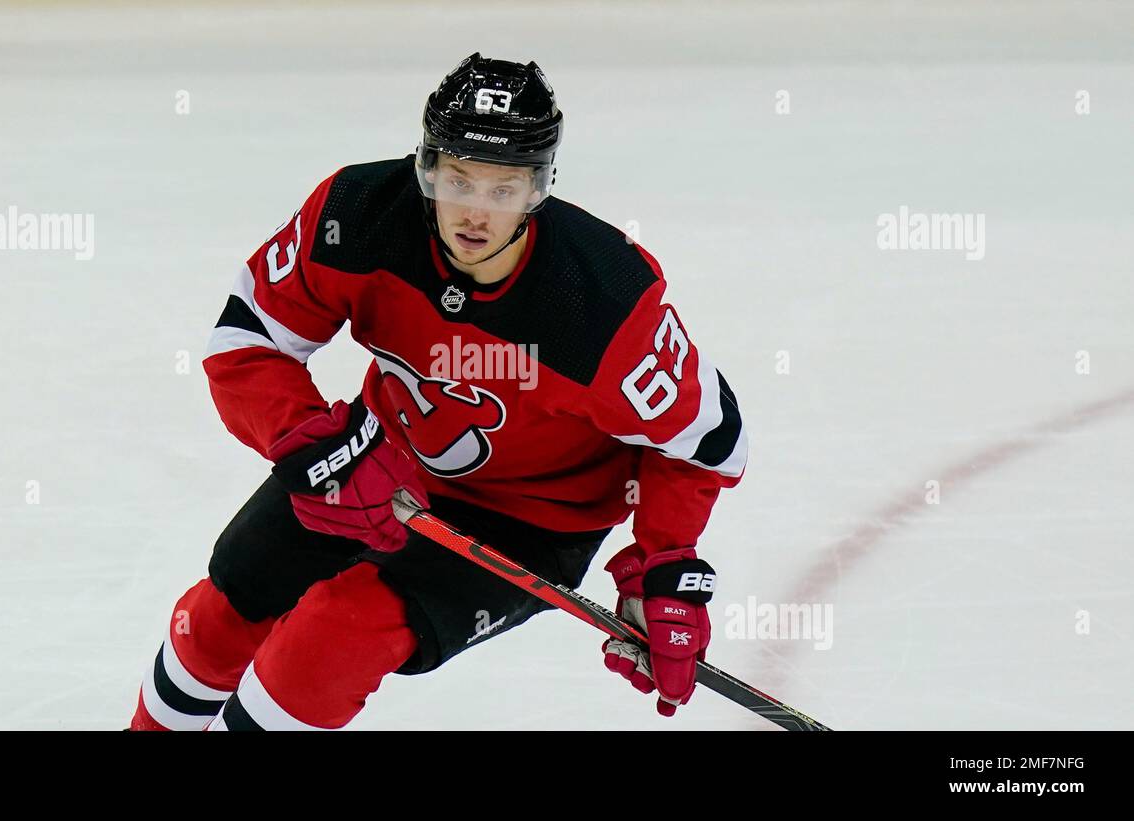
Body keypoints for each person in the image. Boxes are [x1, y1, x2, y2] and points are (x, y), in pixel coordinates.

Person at [130, 53, 747, 730]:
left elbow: (707, 439)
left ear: (540, 188)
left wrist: (664, 560)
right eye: (458, 179)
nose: (475, 213)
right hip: (377, 458)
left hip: (533, 520)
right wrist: (309, 437)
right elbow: (248, 337)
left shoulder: (601, 302)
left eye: (502, 189)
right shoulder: (358, 215)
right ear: (426, 165)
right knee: (219, 615)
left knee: (333, 638)